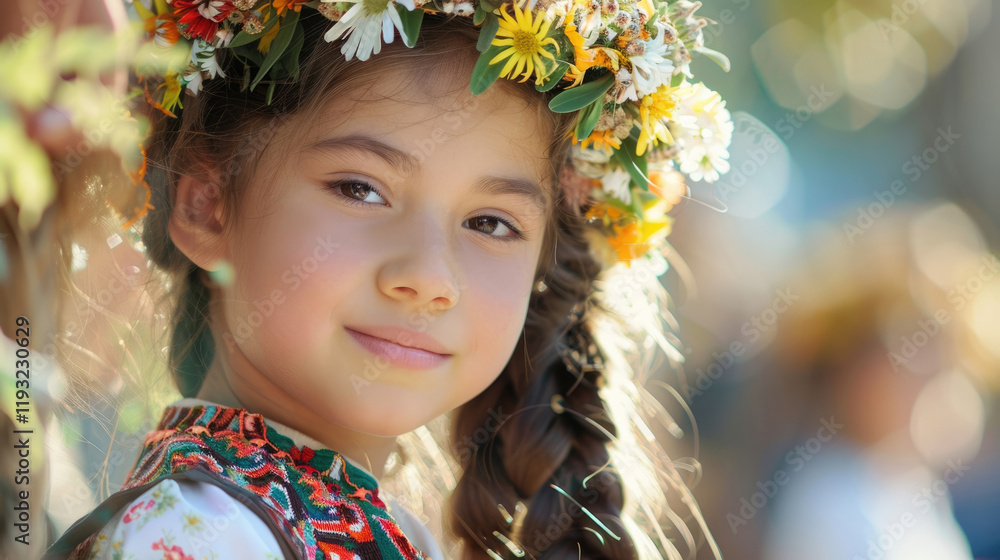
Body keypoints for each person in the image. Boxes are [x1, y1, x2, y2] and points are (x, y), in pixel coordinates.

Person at [42, 0, 734, 558]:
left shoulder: (382, 531)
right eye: (360, 189)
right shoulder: (196, 539)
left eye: (491, 223)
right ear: (206, 204)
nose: (429, 277)